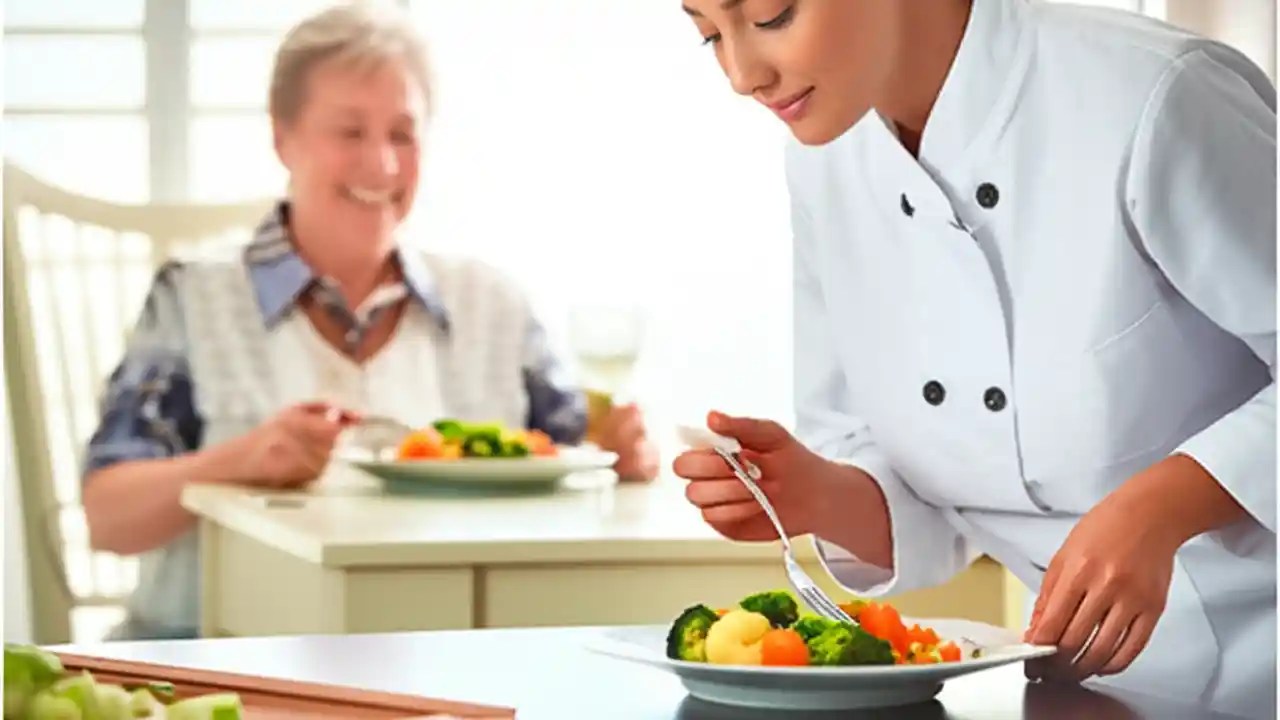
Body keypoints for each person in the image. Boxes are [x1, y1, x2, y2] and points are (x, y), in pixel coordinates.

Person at [671, 0, 1274, 715]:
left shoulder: (1151, 95)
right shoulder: (825, 154)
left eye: (772, 16)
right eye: (708, 33)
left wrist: (1160, 506)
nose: (742, 74)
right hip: (1092, 687)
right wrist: (812, 494)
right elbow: (923, 484)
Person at [81, 1, 659, 642]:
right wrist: (240, 459)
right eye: (350, 132)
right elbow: (108, 518)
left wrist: (626, 449)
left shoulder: (492, 302)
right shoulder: (192, 295)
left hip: (449, 661)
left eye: (403, 134)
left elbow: (587, 464)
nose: (382, 165)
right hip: (219, 666)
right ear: (283, 137)